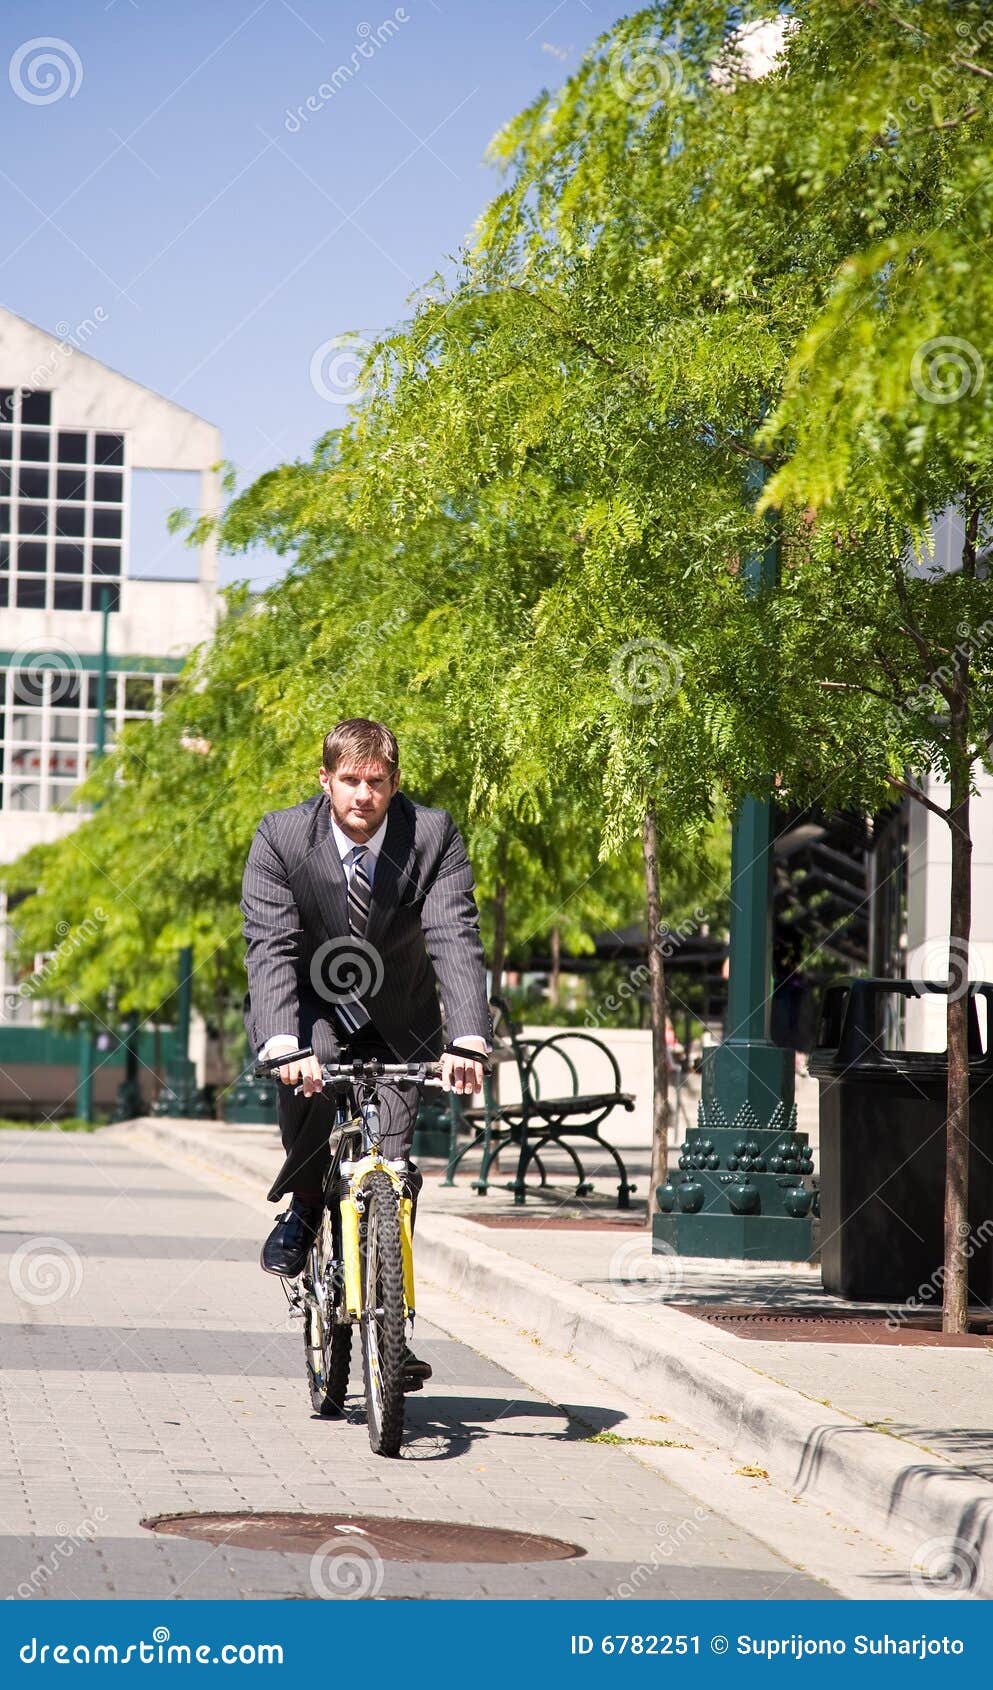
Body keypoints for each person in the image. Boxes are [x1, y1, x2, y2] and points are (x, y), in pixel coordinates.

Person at [241, 717, 491, 1385]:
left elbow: (453, 934)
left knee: (397, 1170)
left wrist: (467, 1035)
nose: (362, 795)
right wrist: (282, 1043)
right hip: (312, 1010)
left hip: (400, 1018)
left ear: (394, 783)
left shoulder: (431, 836)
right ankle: (303, 1204)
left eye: (376, 782)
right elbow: (271, 947)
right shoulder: (281, 837)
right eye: (348, 781)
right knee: (309, 1087)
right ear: (324, 781)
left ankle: (391, 1330)